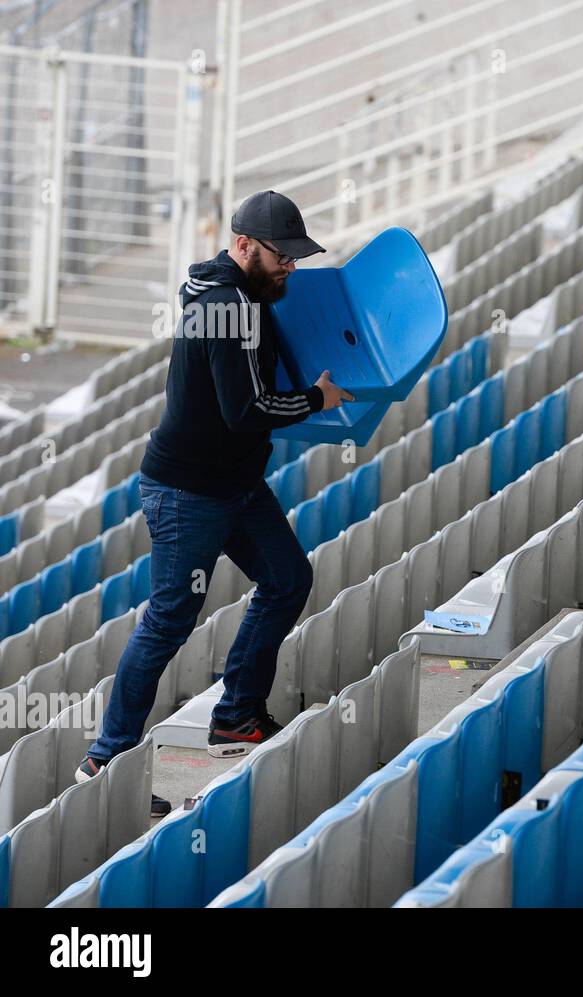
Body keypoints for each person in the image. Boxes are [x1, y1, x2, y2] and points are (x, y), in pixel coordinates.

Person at [76, 191, 353, 817]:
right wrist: (317, 400)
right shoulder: (229, 308)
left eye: (297, 258)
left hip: (232, 483)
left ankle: (235, 716)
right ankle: (105, 759)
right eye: (283, 257)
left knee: (287, 578)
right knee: (171, 620)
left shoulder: (238, 293)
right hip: (187, 492)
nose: (291, 268)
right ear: (244, 246)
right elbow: (246, 411)